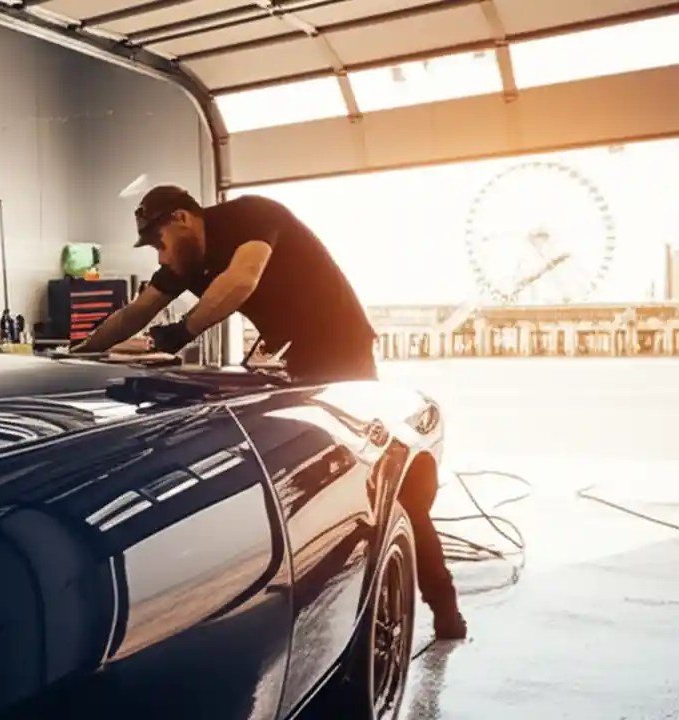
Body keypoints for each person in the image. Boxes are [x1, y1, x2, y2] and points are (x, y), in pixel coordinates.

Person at [72, 184, 467, 639]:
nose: (160, 257)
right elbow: (135, 312)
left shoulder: (250, 216)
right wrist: (77, 353)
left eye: (160, 242)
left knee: (385, 487)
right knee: (305, 473)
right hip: (295, 359)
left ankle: (444, 607)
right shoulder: (185, 261)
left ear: (183, 219)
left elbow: (242, 279)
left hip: (343, 351)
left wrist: (177, 334)